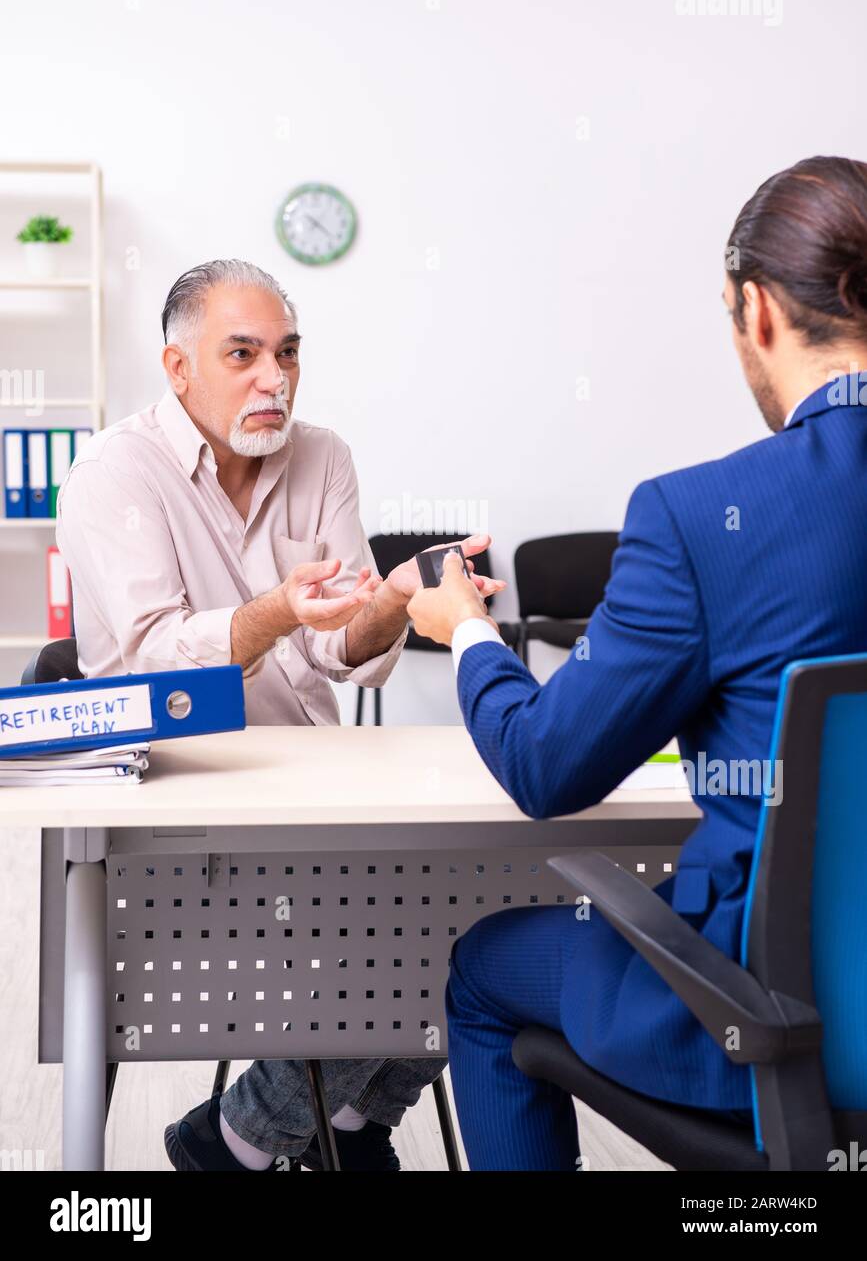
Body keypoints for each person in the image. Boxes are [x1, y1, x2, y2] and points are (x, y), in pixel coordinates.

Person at [407, 155, 867, 1170]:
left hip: (782, 1020)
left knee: (486, 968)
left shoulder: (699, 517)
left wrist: (466, 632)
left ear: (754, 311)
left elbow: (546, 766)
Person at [56, 258, 505, 1171]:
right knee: (414, 927)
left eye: (288, 353)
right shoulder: (112, 474)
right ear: (179, 368)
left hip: (315, 790)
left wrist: (397, 597)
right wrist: (274, 610)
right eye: (244, 354)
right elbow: (149, 658)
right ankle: (272, 1132)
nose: (276, 378)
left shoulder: (322, 454)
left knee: (485, 912)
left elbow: (338, 651)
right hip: (174, 810)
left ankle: (307, 1129)